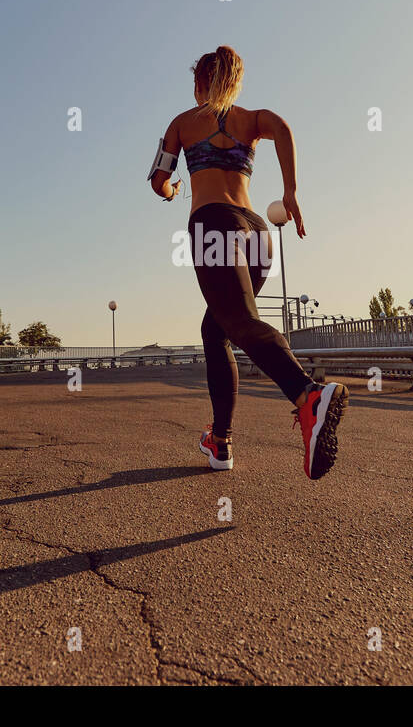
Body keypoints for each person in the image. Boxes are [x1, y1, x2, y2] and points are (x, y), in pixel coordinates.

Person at [147, 45, 348, 479]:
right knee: (215, 328)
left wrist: (173, 189)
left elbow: (158, 181)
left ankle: (307, 394)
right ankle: (219, 442)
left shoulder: (182, 123)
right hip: (257, 233)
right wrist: (290, 190)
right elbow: (284, 127)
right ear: (235, 82)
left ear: (200, 82)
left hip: (215, 224)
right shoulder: (253, 118)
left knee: (237, 323)